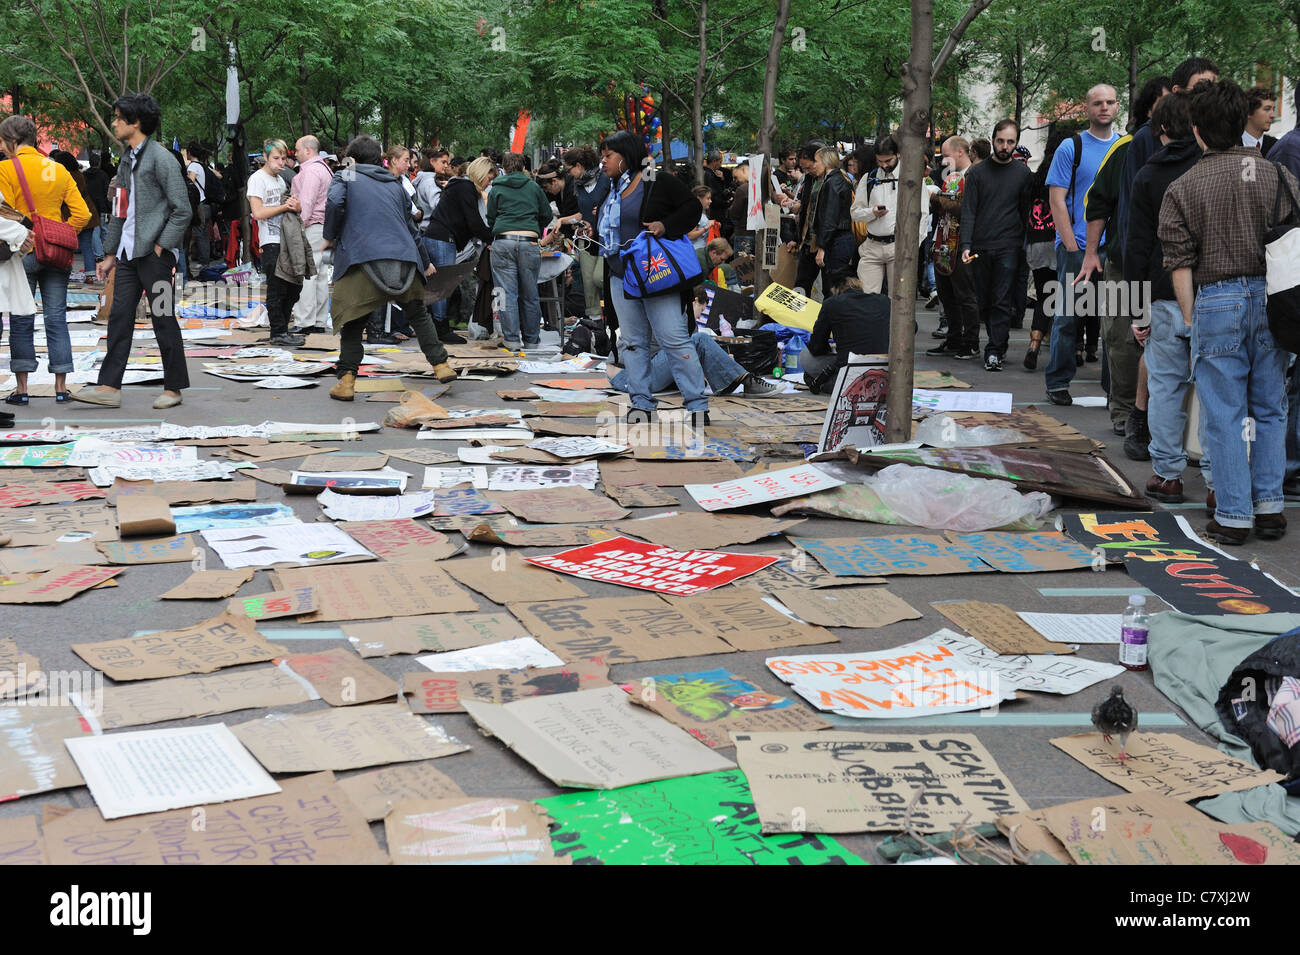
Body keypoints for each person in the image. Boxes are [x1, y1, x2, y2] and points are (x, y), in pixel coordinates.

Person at [1158, 80, 1300, 545]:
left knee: (1222, 413)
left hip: (1215, 298)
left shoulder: (1182, 187)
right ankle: (1270, 507)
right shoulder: (1280, 177)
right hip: (1274, 298)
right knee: (1270, 407)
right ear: (1243, 123)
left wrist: (1190, 316)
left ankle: (1234, 516)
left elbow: (1178, 261)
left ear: (1197, 131)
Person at [75, 94, 190, 409]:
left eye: (117, 117)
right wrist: (110, 254)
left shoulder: (162, 158)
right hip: (126, 256)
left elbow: (183, 210)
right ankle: (110, 387)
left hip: (156, 257)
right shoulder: (127, 159)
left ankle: (173, 388)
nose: (113, 122)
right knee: (119, 317)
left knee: (164, 317)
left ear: (135, 122)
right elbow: (120, 210)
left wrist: (160, 245)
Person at [323, 134, 457, 400]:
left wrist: (330, 235)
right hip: (404, 256)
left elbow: (336, 203)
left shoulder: (348, 175)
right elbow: (411, 226)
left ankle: (347, 380)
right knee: (418, 313)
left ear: (353, 158)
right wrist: (424, 260)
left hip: (363, 256)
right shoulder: (395, 184)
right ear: (380, 158)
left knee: (352, 319)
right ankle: (441, 365)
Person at [1124, 90, 1209, 506]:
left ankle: (1167, 475)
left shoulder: (1148, 175)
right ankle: (1216, 478)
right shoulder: (1209, 169)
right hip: (1208, 293)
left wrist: (1136, 311)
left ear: (1160, 131)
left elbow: (1135, 247)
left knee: (1165, 388)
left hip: (1159, 295)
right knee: (1214, 391)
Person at [597, 129, 710, 426]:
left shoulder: (651, 178)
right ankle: (642, 404)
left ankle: (697, 406)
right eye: (602, 156)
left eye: (609, 156)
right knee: (633, 342)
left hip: (655, 274)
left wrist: (665, 225)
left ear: (626, 156)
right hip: (620, 274)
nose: (603, 162)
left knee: (673, 338)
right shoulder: (611, 187)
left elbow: (692, 207)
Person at [1078, 75, 1171, 438]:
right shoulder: (1127, 148)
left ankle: (1153, 414)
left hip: (1165, 265)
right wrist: (1089, 254)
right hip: (1122, 260)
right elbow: (1098, 203)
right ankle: (1123, 410)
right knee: (1121, 339)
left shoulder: (1189, 147)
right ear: (1149, 108)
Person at [0, 116, 92, 404]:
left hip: (21, 250)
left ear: (13, 141)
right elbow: (83, 215)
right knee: (56, 317)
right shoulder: (58, 169)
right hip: (56, 253)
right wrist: (60, 234)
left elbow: (3, 212)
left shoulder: (4, 169)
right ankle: (61, 387)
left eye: (2, 141)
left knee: (21, 317)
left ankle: (23, 388)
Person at [1042, 83, 1120, 405]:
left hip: (1113, 248)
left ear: (1117, 107)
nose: (1104, 107)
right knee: (1067, 315)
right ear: (1087, 108)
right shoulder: (1069, 147)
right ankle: (1058, 382)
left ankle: (1114, 387)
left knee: (1116, 319)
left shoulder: (1124, 147)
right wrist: (1072, 245)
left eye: (1110, 102)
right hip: (1076, 246)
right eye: (1098, 103)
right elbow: (1056, 199)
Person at [613, 291, 781, 399]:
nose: (701, 316)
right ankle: (747, 381)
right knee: (699, 339)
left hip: (648, 372)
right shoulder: (651, 309)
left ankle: (740, 380)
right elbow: (622, 353)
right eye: (701, 310)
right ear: (694, 302)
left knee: (697, 342)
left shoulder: (679, 317)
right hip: (631, 376)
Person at [960, 119, 1031, 372]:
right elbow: (969, 210)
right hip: (980, 245)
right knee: (986, 300)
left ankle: (994, 349)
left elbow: (1026, 212)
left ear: (1016, 143)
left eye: (1010, 142)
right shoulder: (977, 173)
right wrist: (966, 244)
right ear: (993, 140)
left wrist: (1026, 245)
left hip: (1009, 245)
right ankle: (997, 343)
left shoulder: (1023, 174)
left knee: (1002, 299)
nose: (1005, 146)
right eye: (1001, 140)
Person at [486, 152, 552, 351]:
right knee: (530, 293)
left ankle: (511, 340)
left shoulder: (496, 189)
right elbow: (546, 215)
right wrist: (534, 229)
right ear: (523, 168)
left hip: (503, 241)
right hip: (528, 242)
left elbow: (491, 219)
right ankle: (532, 340)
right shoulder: (533, 187)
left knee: (505, 294)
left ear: (503, 169)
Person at [427, 156, 496, 340]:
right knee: (442, 285)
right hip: (443, 239)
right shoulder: (466, 188)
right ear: (481, 174)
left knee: (436, 284)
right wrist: (491, 238)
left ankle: (435, 325)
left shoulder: (458, 186)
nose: (489, 183)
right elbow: (473, 221)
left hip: (436, 236)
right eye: (489, 178)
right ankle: (441, 328)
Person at [925, 136, 980, 359]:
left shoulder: (975, 174)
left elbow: (966, 208)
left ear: (959, 152)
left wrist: (938, 198)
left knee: (965, 295)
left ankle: (971, 342)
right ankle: (954, 338)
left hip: (964, 243)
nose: (943, 161)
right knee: (947, 295)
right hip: (944, 241)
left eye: (946, 155)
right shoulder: (950, 175)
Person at [247, 139, 305, 346]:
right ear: (265, 157)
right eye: (276, 158)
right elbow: (258, 212)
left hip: (286, 240)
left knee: (293, 287)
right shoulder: (257, 179)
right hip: (270, 242)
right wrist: (285, 208)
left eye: (283, 158)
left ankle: (282, 330)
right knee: (277, 288)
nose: (280, 163)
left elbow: (292, 209)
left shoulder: (281, 181)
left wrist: (295, 207)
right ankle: (278, 332)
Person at [1022, 132, 1066, 370]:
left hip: (1036, 242)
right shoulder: (1066, 171)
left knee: (1043, 297)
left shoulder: (1036, 177)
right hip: (1060, 241)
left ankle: (1034, 344)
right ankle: (1065, 350)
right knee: (1064, 300)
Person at [800, 276, 890, 387]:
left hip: (849, 372)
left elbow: (816, 346)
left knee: (804, 356)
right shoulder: (884, 301)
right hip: (883, 369)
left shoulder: (832, 304)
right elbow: (911, 328)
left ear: (836, 290)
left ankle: (829, 384)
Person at [289, 134, 333, 334]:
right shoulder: (325, 169)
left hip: (311, 226)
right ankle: (318, 321)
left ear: (308, 150)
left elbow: (306, 203)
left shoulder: (311, 171)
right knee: (320, 276)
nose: (295, 154)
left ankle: (305, 321)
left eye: (297, 150)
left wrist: (299, 226)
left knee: (306, 275)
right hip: (322, 227)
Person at [564, 146, 610, 322]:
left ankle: (612, 314)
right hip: (585, 239)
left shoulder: (606, 180)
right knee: (589, 285)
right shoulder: (578, 186)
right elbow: (582, 212)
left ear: (579, 165)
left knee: (600, 278)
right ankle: (595, 324)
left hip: (604, 239)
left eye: (570, 170)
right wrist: (568, 221)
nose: (569, 174)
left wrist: (601, 212)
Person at [851, 135, 900, 295]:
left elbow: (922, 214)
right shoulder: (869, 178)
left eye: (888, 161)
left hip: (898, 245)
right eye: (880, 161)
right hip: (872, 244)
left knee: (897, 300)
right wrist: (872, 212)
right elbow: (855, 213)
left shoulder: (910, 178)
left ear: (898, 155)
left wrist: (915, 245)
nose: (884, 165)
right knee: (867, 297)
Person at [48, 150, 99, 277]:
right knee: (87, 245)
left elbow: (64, 198)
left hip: (73, 215)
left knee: (67, 245)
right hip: (88, 214)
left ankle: (67, 271)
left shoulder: (64, 177)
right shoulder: (80, 174)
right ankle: (90, 274)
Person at [83, 152, 111, 267]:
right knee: (105, 230)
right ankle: (107, 252)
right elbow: (107, 192)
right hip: (102, 206)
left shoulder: (84, 175)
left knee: (95, 231)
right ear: (98, 163)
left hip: (89, 206)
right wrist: (108, 207)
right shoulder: (103, 175)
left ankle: (99, 254)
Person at [1243, 85, 1278, 154]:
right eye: (1267, 109)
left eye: (1273, 109)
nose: (1273, 115)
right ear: (1249, 112)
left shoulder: (1276, 146)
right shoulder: (1230, 145)